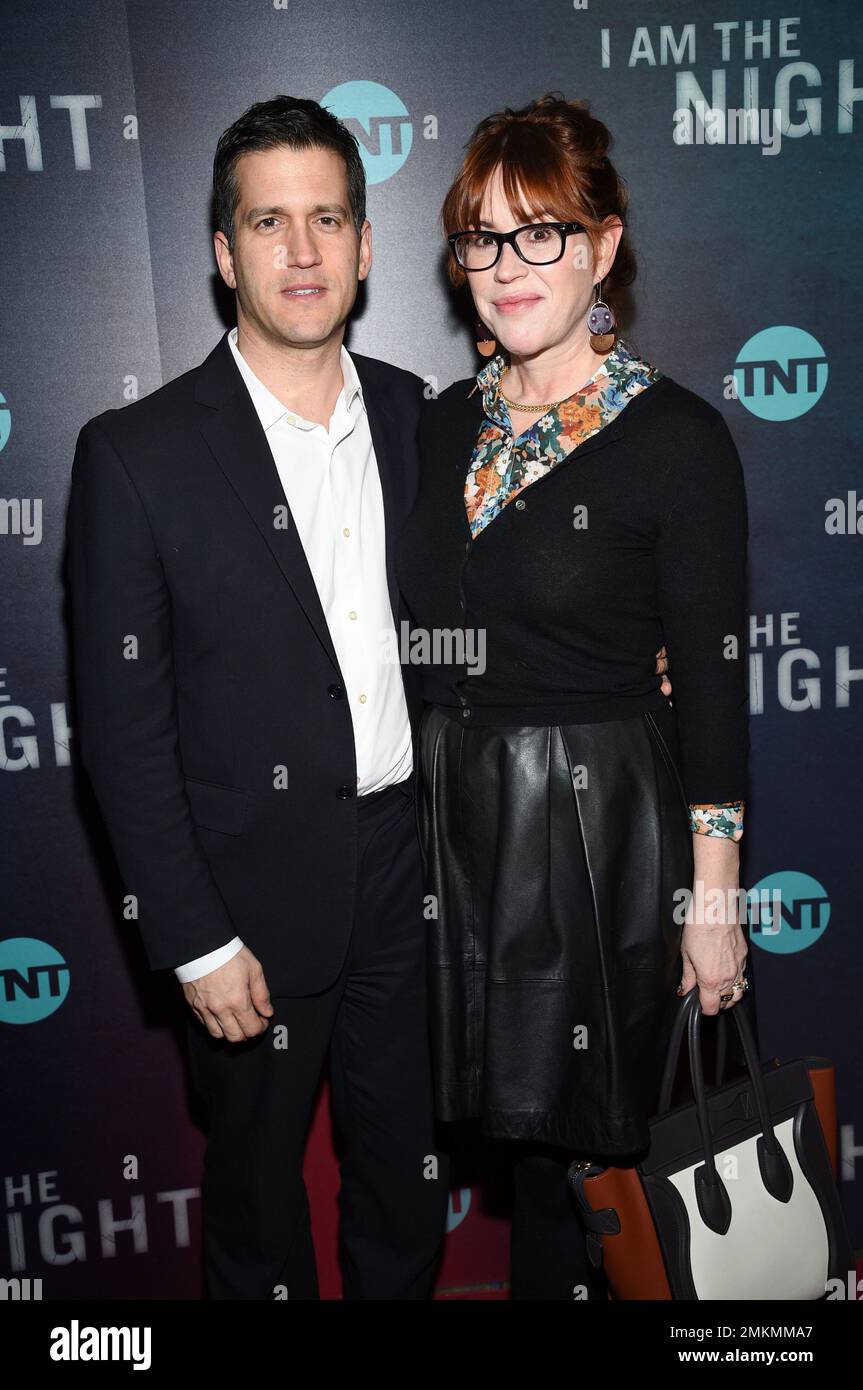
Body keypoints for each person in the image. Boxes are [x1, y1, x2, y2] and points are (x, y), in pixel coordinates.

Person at [64, 95, 450, 1300]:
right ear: (224, 253)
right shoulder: (135, 453)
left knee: (403, 1183)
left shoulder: (418, 418)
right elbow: (121, 737)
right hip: (242, 896)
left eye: (327, 218)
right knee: (254, 1206)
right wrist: (190, 936)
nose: (302, 251)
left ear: (366, 244)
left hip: (412, 866)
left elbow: (500, 606)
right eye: (268, 222)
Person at [395, 92, 752, 1300]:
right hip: (458, 826)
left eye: (539, 231)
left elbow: (708, 687)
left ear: (602, 248)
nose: (506, 265)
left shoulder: (677, 441)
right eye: (482, 238)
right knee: (529, 1164)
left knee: (604, 1162)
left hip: (601, 830)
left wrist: (713, 904)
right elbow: (411, 631)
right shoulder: (435, 429)